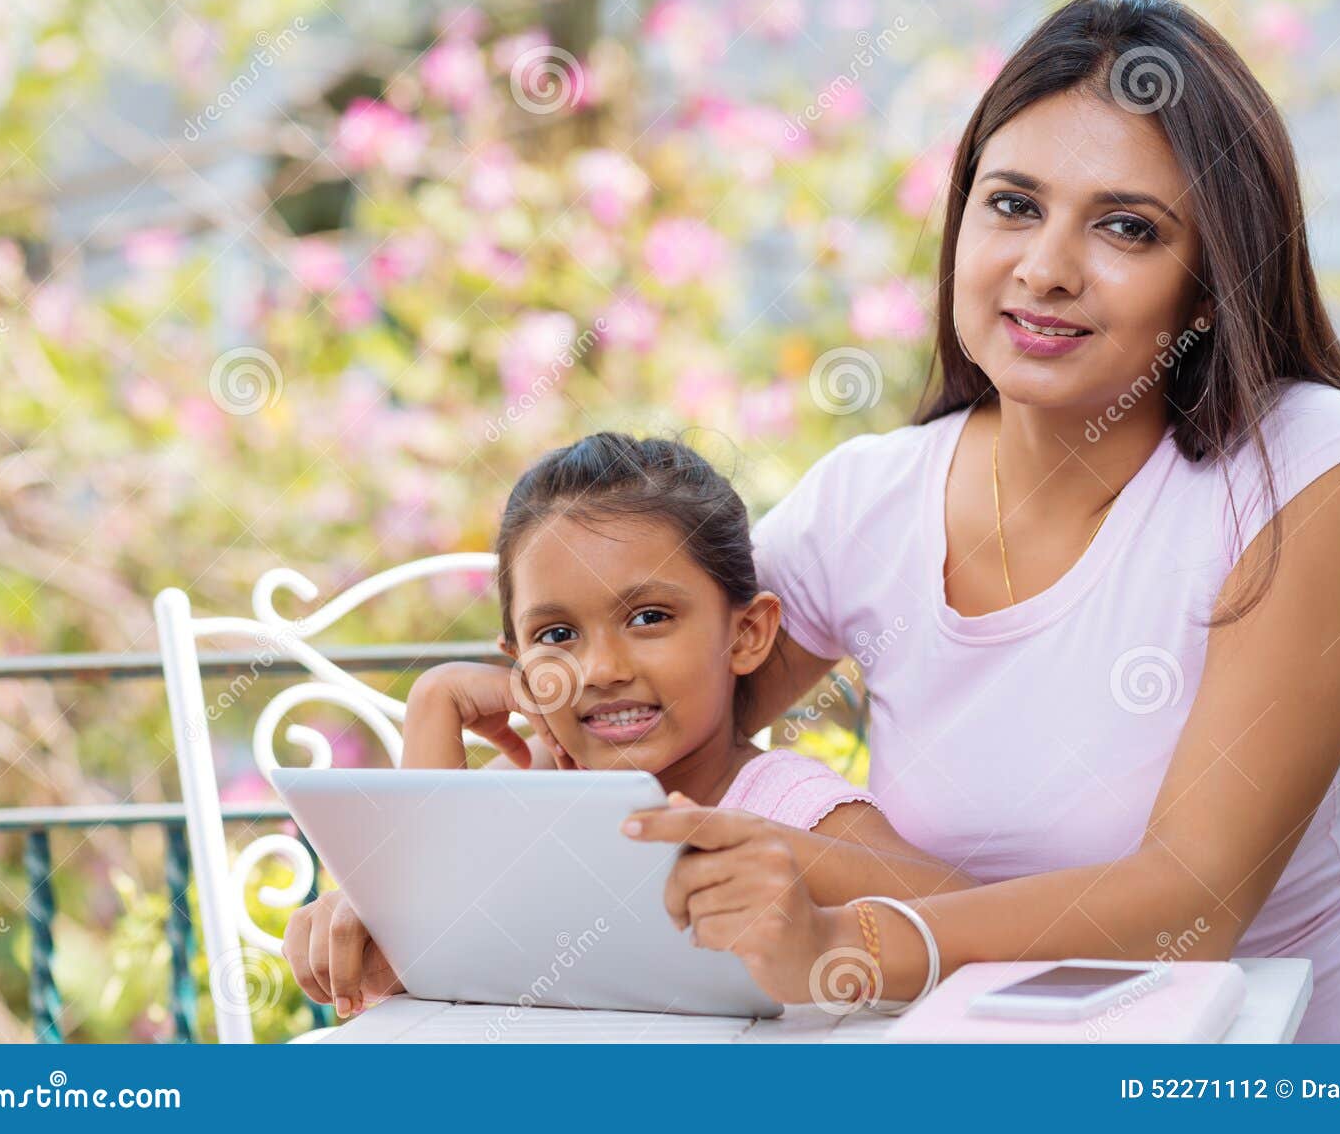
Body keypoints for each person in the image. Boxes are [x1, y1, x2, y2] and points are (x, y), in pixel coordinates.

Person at [620, 0, 1340, 1043]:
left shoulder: (1303, 461)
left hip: (1321, 1062)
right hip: (1010, 1072)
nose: (1044, 268)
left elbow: (1192, 905)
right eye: (1013, 205)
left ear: (1211, 283)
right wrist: (460, 730)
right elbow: (652, 748)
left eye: (1126, 227)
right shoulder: (870, 497)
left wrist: (850, 943)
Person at [281, 432, 970, 1018]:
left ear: (747, 635)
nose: (602, 668)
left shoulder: (785, 802)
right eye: (557, 633)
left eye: (649, 618)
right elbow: (419, 954)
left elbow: (970, 913)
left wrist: (782, 856)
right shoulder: (534, 791)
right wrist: (434, 707)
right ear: (517, 662)